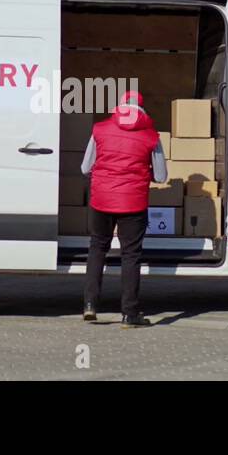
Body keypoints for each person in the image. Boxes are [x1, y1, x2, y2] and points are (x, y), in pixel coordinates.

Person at [80, 90, 168, 328]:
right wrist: (140, 172)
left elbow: (85, 167)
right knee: (131, 255)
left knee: (98, 247)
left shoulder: (100, 129)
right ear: (142, 109)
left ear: (119, 107)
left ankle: (90, 305)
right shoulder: (151, 136)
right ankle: (129, 314)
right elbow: (161, 176)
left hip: (102, 200)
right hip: (133, 202)